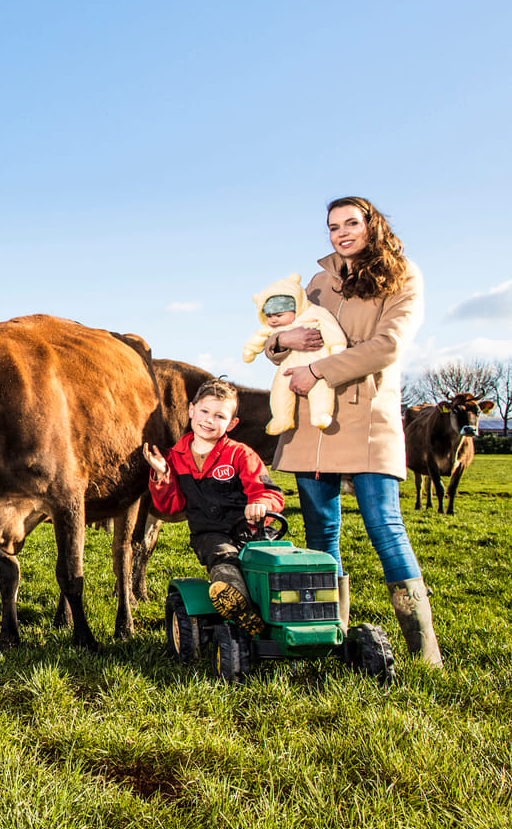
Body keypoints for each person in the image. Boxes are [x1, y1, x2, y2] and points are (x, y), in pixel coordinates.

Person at [265, 195, 442, 666]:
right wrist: (281, 340)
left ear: (371, 225)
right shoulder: (318, 283)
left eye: (350, 223)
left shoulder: (402, 275)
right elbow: (278, 334)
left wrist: (319, 370)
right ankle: (331, 636)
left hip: (366, 416)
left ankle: (424, 651)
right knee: (321, 532)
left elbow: (388, 346)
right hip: (311, 419)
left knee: (385, 526)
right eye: (333, 226)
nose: (341, 233)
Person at [143, 379, 284, 635]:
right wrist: (162, 475)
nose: (209, 420)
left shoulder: (241, 454)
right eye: (205, 411)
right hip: (211, 535)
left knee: (276, 562)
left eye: (219, 416)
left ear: (232, 424)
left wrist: (260, 503)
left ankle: (286, 610)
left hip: (253, 532)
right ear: (191, 410)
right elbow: (171, 505)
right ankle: (240, 608)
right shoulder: (176, 458)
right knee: (223, 558)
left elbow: (269, 492)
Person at [243, 273, 347, 435]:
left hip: (317, 360)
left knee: (321, 388)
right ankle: (281, 418)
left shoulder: (314, 315)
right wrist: (275, 342)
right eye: (269, 316)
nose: (274, 320)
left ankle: (321, 414)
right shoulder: (275, 327)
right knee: (279, 389)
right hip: (288, 366)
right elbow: (260, 338)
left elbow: (332, 332)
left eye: (278, 315)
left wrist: (336, 350)